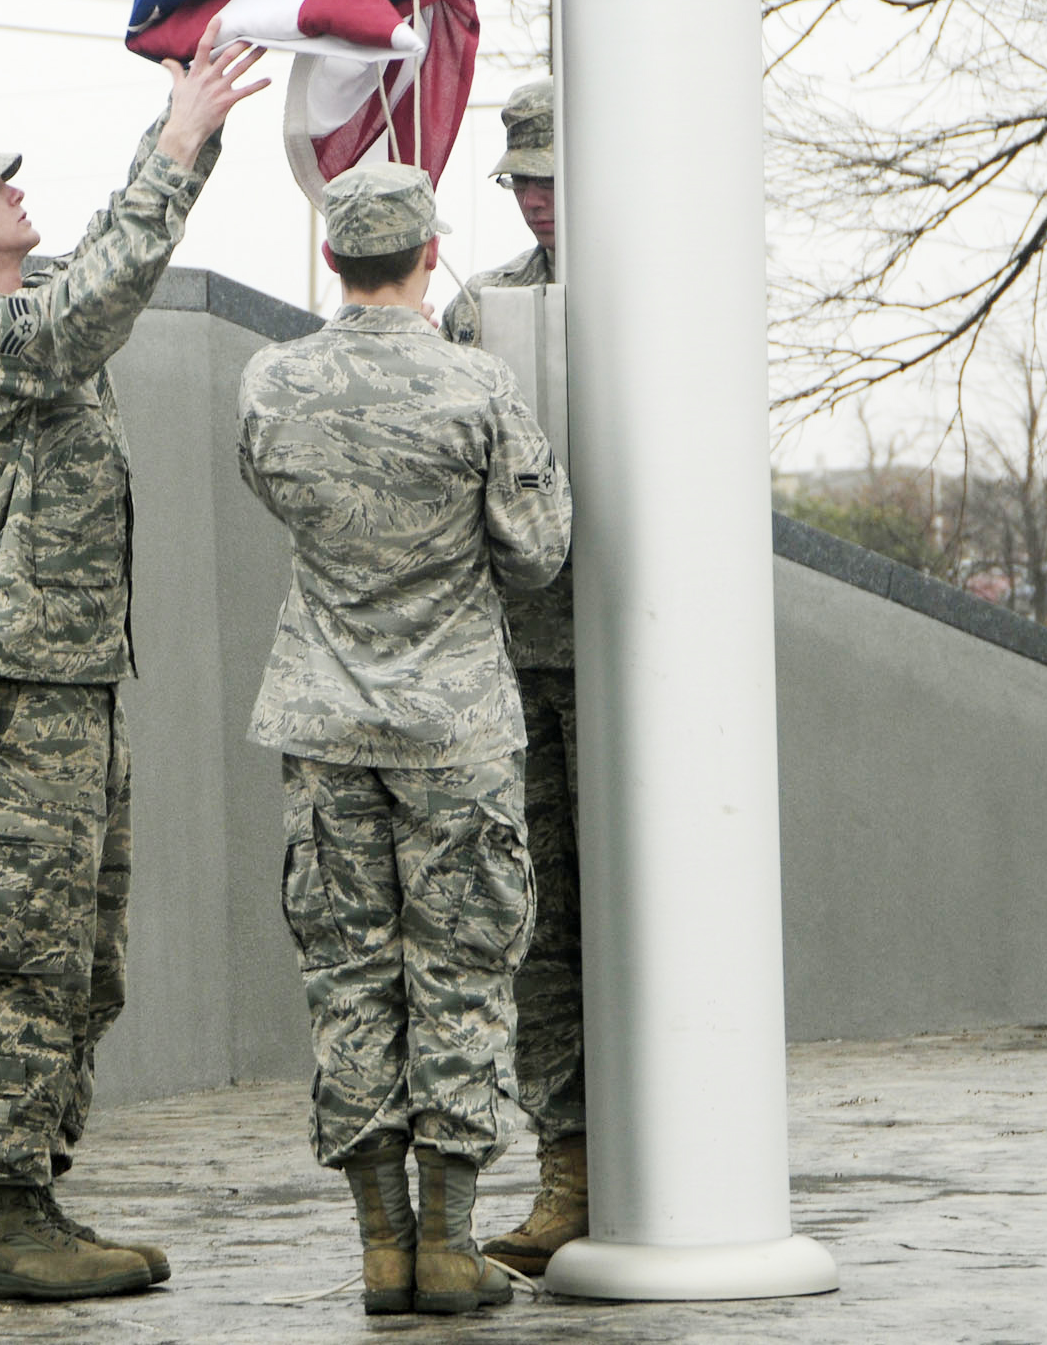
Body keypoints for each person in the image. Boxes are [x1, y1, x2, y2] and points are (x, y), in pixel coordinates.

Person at [0, 20, 267, 1304]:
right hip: (19, 694)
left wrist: (180, 138)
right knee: (23, 962)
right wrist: (181, 140)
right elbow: (101, 294)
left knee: (84, 966)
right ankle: (3, 1217)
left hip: (72, 685)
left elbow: (96, 269)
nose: (15, 191)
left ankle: (37, 1193)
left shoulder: (19, 319)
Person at [237, 164, 571, 1317]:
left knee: (348, 979)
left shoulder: (273, 382)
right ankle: (450, 1247)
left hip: (325, 725)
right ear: (431, 252)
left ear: (334, 258)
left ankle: (382, 1248)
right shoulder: (479, 388)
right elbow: (535, 552)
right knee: (463, 976)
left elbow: (271, 489)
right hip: (454, 728)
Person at [441, 78, 589, 1275]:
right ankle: (571, 1166)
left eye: (556, 174)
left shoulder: (673, 284)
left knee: (664, 915)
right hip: (524, 658)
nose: (539, 199)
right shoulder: (481, 314)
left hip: (650, 664)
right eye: (523, 180)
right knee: (539, 931)